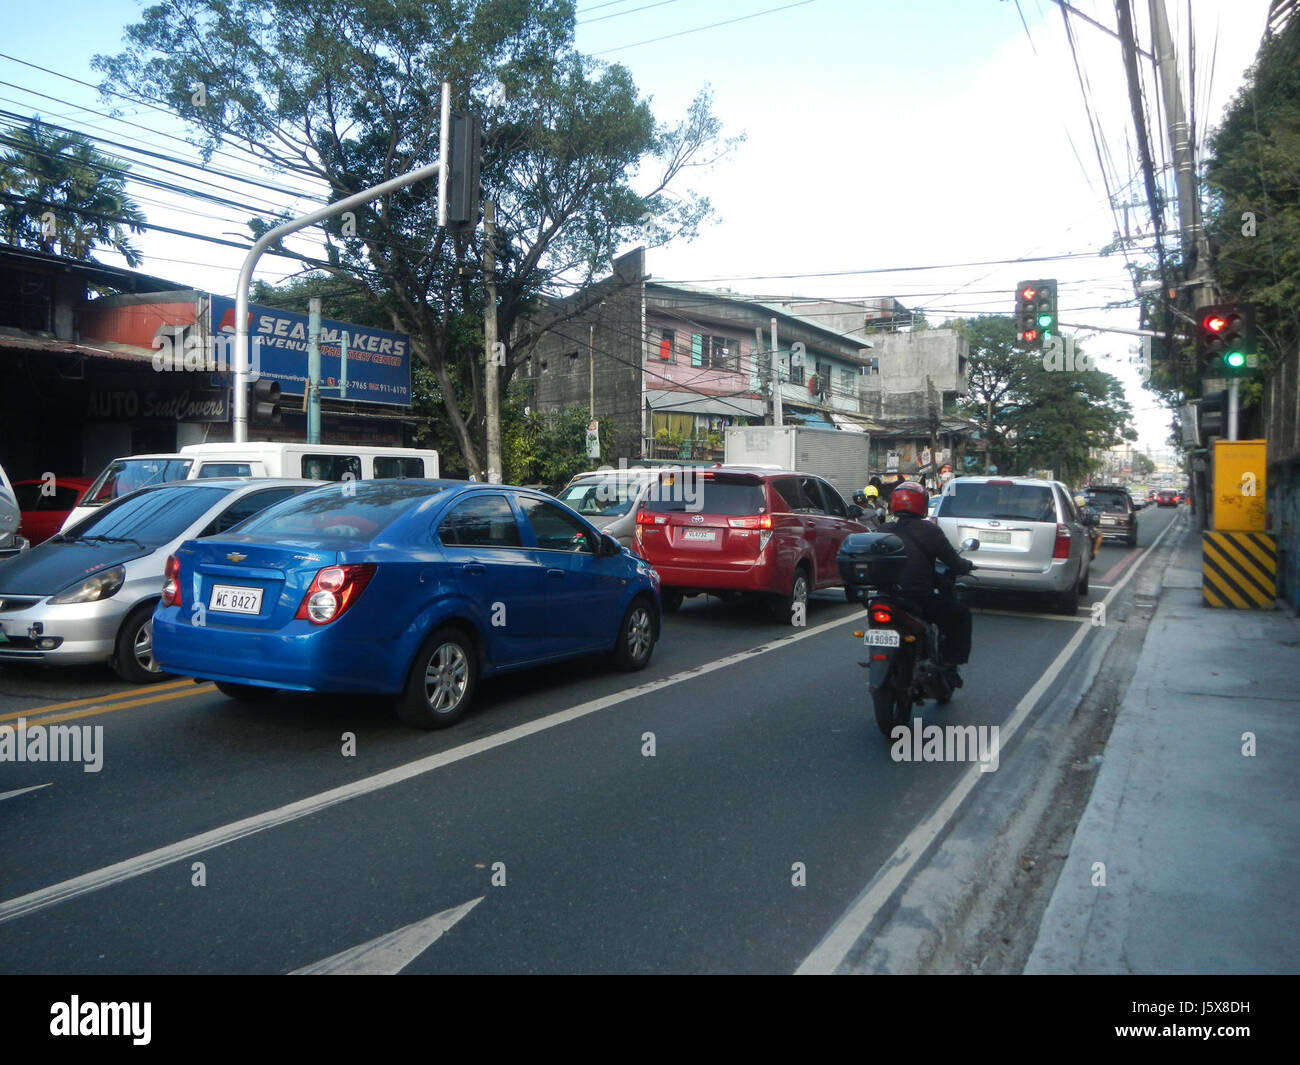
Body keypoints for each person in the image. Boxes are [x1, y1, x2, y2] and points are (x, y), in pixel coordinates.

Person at [881, 480, 974, 672]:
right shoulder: (930, 531)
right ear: (922, 504)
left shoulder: (883, 530)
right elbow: (954, 562)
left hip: (886, 597)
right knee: (961, 615)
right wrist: (966, 566)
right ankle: (950, 661)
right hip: (918, 598)